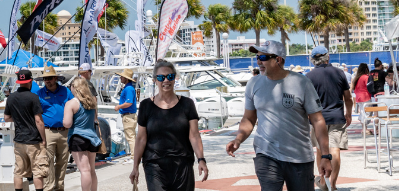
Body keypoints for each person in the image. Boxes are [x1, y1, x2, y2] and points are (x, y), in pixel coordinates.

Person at [226, 40, 332, 190]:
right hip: (266, 155)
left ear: (278, 59)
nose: (258, 62)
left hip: (299, 157)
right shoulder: (253, 84)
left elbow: (318, 120)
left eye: (263, 57)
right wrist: (238, 139)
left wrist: (325, 156)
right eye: (257, 57)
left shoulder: (302, 82)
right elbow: (249, 118)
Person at [129, 60, 208, 190]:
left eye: (170, 76)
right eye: (161, 77)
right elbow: (141, 138)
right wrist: (135, 167)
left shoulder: (187, 104)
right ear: (155, 80)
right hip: (154, 165)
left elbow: (194, 135)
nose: (166, 80)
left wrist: (201, 159)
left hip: (182, 164)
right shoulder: (146, 105)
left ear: (174, 78)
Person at [306, 46, 354, 191]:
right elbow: (348, 97)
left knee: (320, 150)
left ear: (313, 60)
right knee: (335, 149)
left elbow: (305, 101)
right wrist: (349, 113)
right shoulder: (339, 73)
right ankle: (332, 184)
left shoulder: (309, 76)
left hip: (316, 119)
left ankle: (323, 182)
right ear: (328, 57)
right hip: (336, 117)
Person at [4, 69, 49, 191]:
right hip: (34, 140)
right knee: (38, 171)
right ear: (30, 81)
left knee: (19, 171)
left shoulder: (11, 97)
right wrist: (44, 139)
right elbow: (38, 121)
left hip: (19, 139)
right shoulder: (33, 97)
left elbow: (6, 118)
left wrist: (19, 119)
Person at [34, 65, 73, 191]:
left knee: (63, 162)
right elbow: (35, 113)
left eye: (50, 78)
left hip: (64, 131)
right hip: (47, 132)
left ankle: (59, 187)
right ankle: (49, 188)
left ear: (55, 78)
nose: (47, 81)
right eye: (45, 79)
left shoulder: (66, 91)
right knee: (48, 162)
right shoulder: (39, 94)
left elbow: (75, 106)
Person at [63, 75, 101, 191]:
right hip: (92, 138)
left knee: (84, 170)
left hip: (78, 138)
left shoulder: (71, 103)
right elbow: (95, 119)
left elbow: (67, 124)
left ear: (74, 87)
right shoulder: (92, 102)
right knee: (91, 170)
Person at [114, 68, 139, 158]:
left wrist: (118, 107)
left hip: (128, 116)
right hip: (130, 115)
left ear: (126, 78)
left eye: (122, 76)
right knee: (132, 137)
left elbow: (129, 103)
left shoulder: (128, 89)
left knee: (130, 137)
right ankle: (135, 155)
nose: (120, 78)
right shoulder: (129, 88)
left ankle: (134, 156)